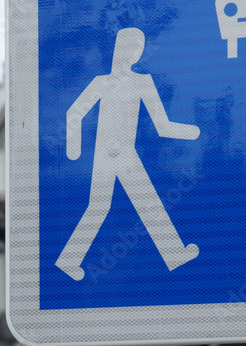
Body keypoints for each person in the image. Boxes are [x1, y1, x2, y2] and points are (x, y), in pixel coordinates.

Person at [56, 27, 201, 281]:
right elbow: (74, 114)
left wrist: (192, 132)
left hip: (122, 153)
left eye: (140, 47)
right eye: (133, 46)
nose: (137, 52)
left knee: (129, 205)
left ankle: (69, 260)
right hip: (110, 154)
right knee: (107, 206)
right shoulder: (103, 82)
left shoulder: (141, 82)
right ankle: (69, 260)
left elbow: (162, 125)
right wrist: (73, 151)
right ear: (122, 48)